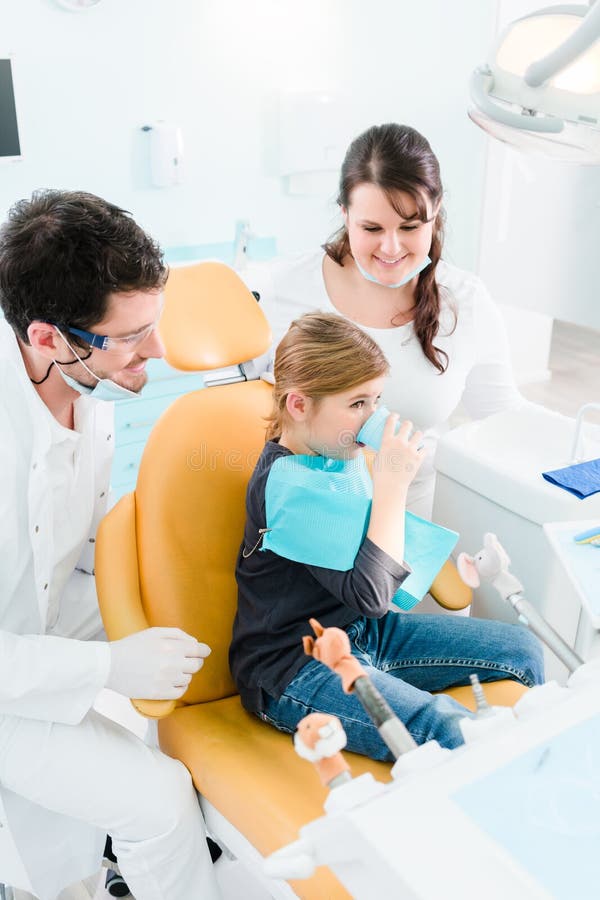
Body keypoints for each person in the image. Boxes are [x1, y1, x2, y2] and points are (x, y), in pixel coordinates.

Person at [0, 190, 221, 900]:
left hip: (42, 630)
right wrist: (104, 665)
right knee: (158, 805)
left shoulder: (82, 388)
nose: (157, 350)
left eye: (153, 323)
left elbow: (81, 549)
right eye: (129, 336)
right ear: (46, 337)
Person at [230, 312, 543, 761]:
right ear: (299, 406)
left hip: (363, 633)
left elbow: (371, 582)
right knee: (444, 726)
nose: (372, 417)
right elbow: (372, 595)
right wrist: (393, 485)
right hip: (293, 667)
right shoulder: (289, 487)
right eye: (358, 404)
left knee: (521, 650)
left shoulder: (336, 448)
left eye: (376, 400)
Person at [244, 123, 522, 519]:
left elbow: (503, 417)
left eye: (410, 227)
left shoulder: (464, 301)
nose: (391, 248)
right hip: (306, 527)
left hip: (416, 522)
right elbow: (230, 411)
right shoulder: (278, 290)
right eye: (371, 228)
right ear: (344, 214)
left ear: (436, 211)